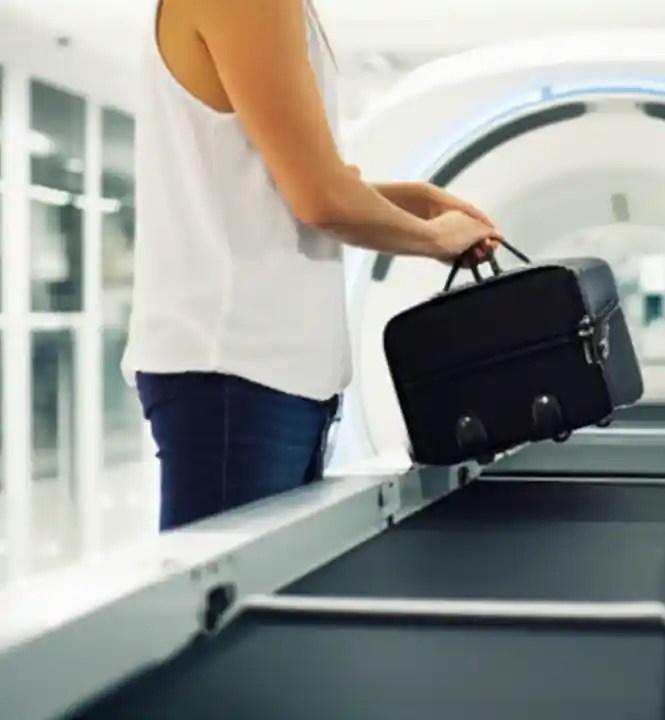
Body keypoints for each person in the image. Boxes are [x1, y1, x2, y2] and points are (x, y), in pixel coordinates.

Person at [122, 0, 501, 531]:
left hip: (267, 370)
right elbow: (318, 197)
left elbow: (275, 181)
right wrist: (434, 237)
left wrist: (414, 200)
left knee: (263, 596)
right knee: (230, 605)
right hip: (237, 366)